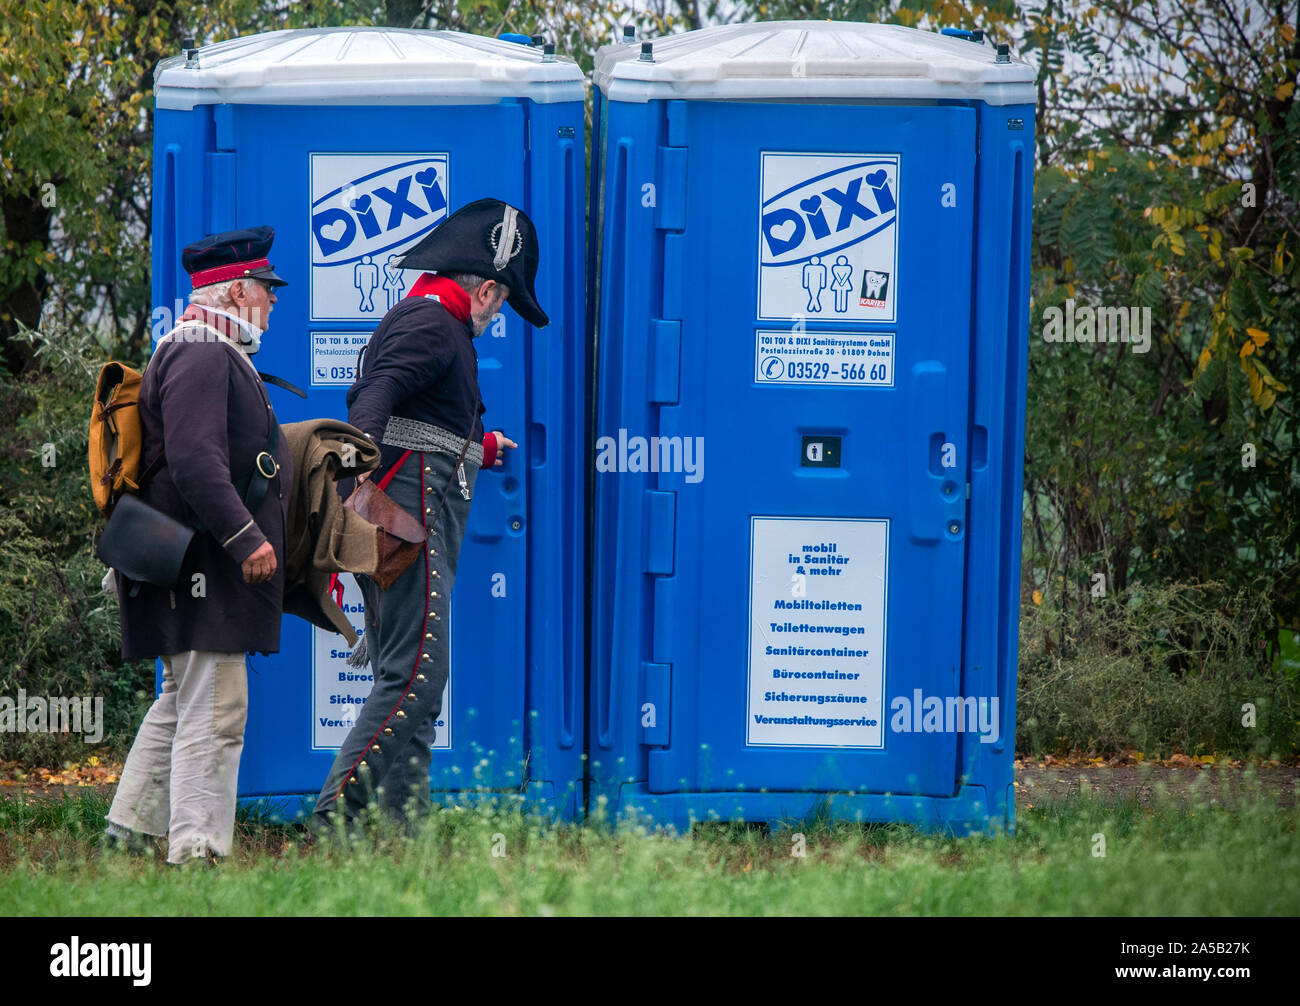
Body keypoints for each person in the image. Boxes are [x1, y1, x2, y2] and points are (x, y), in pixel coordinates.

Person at [312, 198, 548, 829]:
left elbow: (426, 420)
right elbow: (376, 392)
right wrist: (357, 462)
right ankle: (335, 816)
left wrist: (483, 447)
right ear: (489, 289)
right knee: (416, 674)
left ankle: (400, 834)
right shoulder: (432, 323)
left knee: (412, 680)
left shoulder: (432, 320)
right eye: (502, 304)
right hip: (406, 521)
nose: (498, 317)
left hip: (407, 518)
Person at [103, 226, 293, 865]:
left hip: (193, 560)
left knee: (184, 697)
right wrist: (247, 539)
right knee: (216, 705)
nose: (272, 304)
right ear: (239, 290)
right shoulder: (202, 351)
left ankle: (129, 828)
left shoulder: (198, 348)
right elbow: (194, 460)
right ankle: (197, 851)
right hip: (207, 562)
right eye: (267, 292)